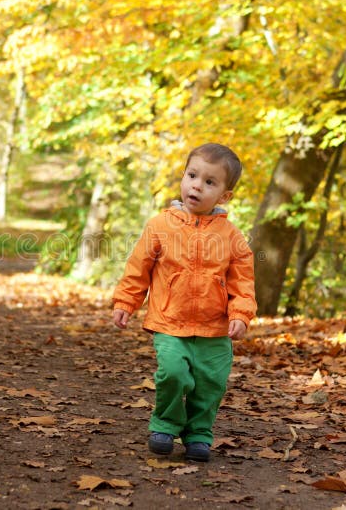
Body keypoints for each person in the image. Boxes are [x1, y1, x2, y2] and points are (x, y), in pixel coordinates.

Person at [112, 143, 256, 462]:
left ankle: (199, 434)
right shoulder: (160, 226)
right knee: (174, 373)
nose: (197, 185)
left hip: (215, 329)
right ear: (183, 176)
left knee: (210, 383)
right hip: (169, 322)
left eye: (209, 182)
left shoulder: (232, 237)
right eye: (192, 175)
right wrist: (126, 302)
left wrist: (241, 314)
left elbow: (243, 282)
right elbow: (138, 268)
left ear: (224, 196)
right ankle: (165, 424)